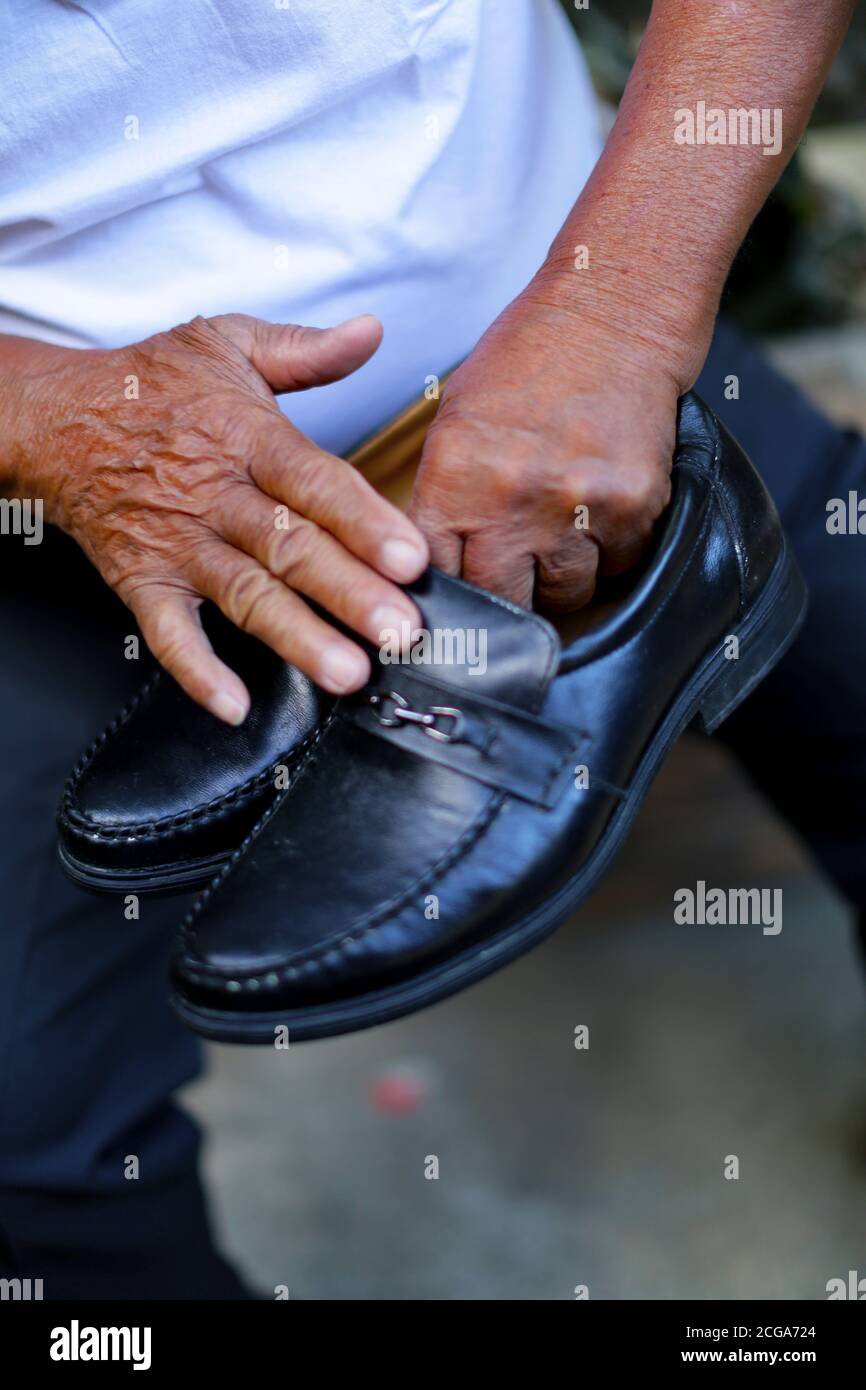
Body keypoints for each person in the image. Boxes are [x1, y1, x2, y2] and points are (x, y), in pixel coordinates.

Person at [0, 0, 861, 1297]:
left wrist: (623, 318)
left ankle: (666, 542)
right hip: (55, 492)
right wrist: (32, 410)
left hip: (582, 331)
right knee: (35, 1128)